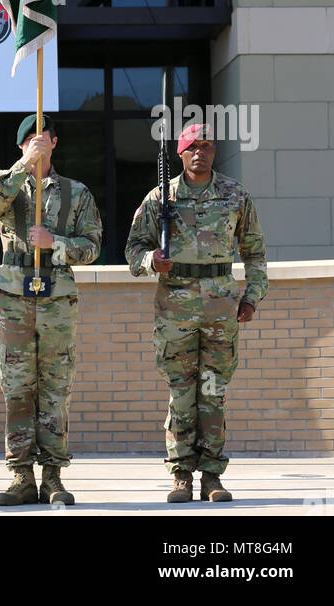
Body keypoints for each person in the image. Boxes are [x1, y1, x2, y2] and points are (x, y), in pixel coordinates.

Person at [126, 121, 268, 503]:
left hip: (221, 307)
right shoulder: (161, 197)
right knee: (181, 392)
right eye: (193, 147)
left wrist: (252, 297)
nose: (200, 153)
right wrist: (151, 261)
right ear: (180, 152)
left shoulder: (235, 195)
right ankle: (181, 475)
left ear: (213, 151)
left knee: (212, 392)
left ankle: (212, 476)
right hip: (175, 307)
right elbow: (133, 249)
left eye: (206, 146)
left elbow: (255, 254)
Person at [0, 113, 102, 507]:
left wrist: (55, 243)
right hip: (15, 298)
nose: (38, 143)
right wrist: (22, 166)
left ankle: (52, 476)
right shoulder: (2, 181)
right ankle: (20, 476)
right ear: (21, 146)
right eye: (30, 139)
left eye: (43, 137)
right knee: (17, 387)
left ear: (55, 142)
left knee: (54, 388)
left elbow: (93, 246)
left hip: (56, 299)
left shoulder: (75, 192)